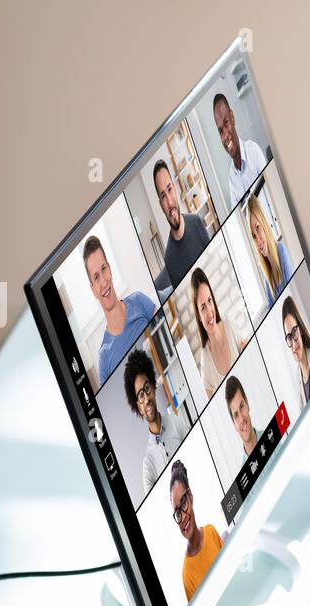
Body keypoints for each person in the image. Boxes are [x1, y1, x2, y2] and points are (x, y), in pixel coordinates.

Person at [83, 235, 155, 384]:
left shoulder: (139, 301)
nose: (103, 281)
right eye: (96, 277)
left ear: (110, 270)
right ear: (93, 290)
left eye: (103, 269)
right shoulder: (104, 358)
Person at [123, 348, 186, 496]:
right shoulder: (148, 464)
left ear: (153, 387)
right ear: (138, 407)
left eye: (146, 388)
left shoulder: (177, 423)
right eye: (140, 395)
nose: (146, 399)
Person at [190, 266, 249, 399]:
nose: (210, 313)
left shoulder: (230, 325)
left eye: (209, 301)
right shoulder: (205, 363)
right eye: (203, 308)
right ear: (198, 315)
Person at [152, 159, 210, 292]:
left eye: (170, 190)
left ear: (175, 189)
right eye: (163, 196)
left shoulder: (197, 223)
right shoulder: (169, 258)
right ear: (161, 205)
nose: (170, 201)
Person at [169, 460, 223, 601]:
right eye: (177, 513)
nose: (183, 517)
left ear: (190, 497)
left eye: (184, 503)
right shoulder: (187, 573)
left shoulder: (211, 531)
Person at [212, 92, 266, 207]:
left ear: (232, 117)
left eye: (226, 124)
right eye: (221, 131)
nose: (225, 135)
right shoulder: (232, 178)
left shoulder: (253, 152)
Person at [246, 191, 291, 305]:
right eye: (253, 236)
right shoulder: (268, 279)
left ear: (264, 224)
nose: (258, 242)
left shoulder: (282, 252)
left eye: (258, 228)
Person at [281, 295, 310, 406]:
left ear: (300, 330)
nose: (294, 344)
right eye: (289, 337)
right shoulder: (297, 377)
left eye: (294, 332)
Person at [225, 375, 258, 457]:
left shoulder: (273, 437)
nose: (242, 419)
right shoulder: (244, 469)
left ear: (247, 403)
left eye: (242, 406)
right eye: (236, 415)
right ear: (234, 424)